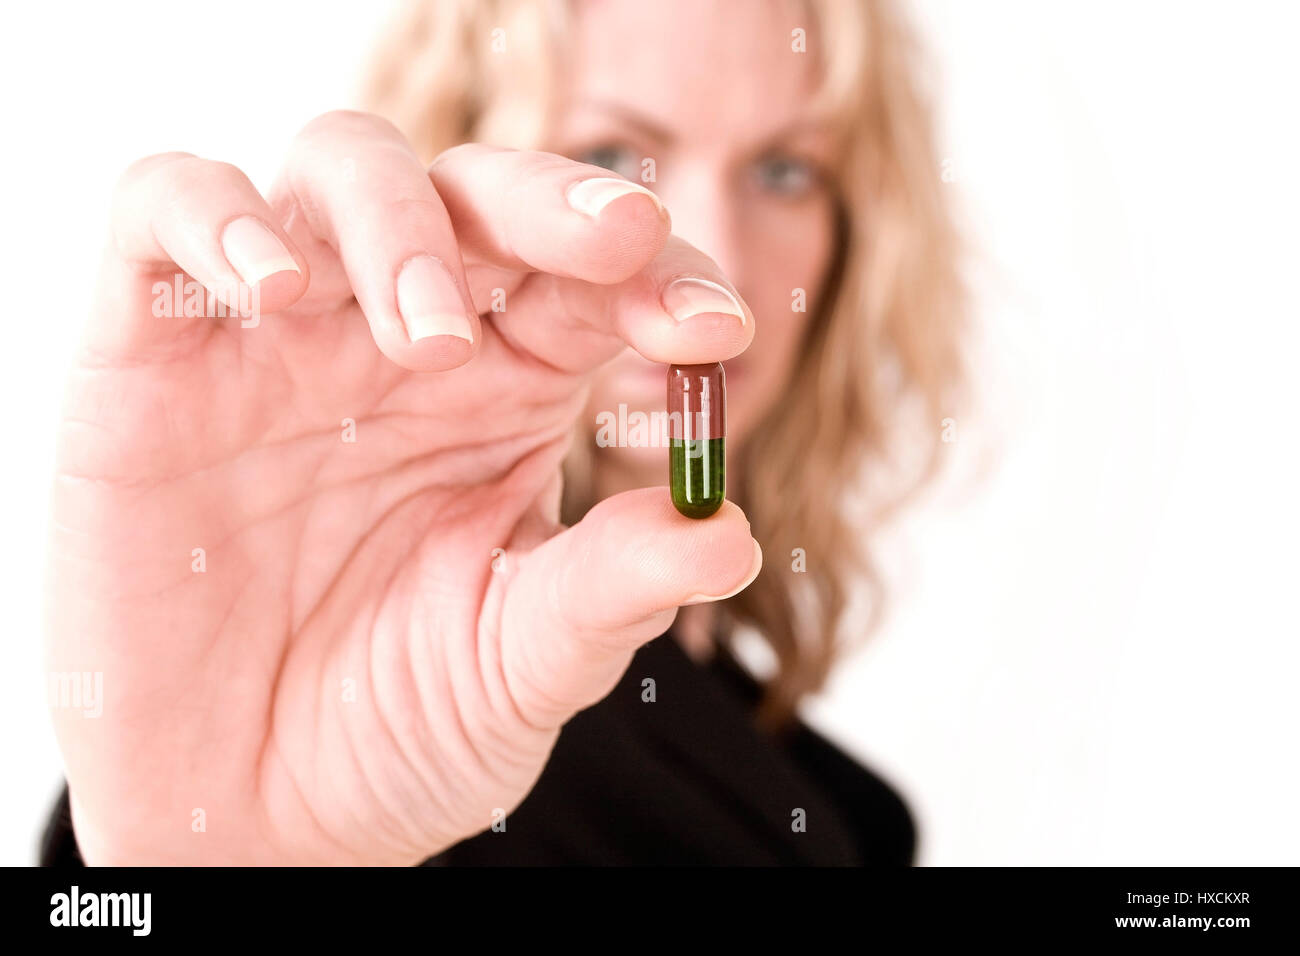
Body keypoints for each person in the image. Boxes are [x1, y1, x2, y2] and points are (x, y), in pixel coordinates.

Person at [40, 0, 965, 866]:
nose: (717, 246)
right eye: (610, 151)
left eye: (784, 170)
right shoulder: (331, 712)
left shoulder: (852, 814)